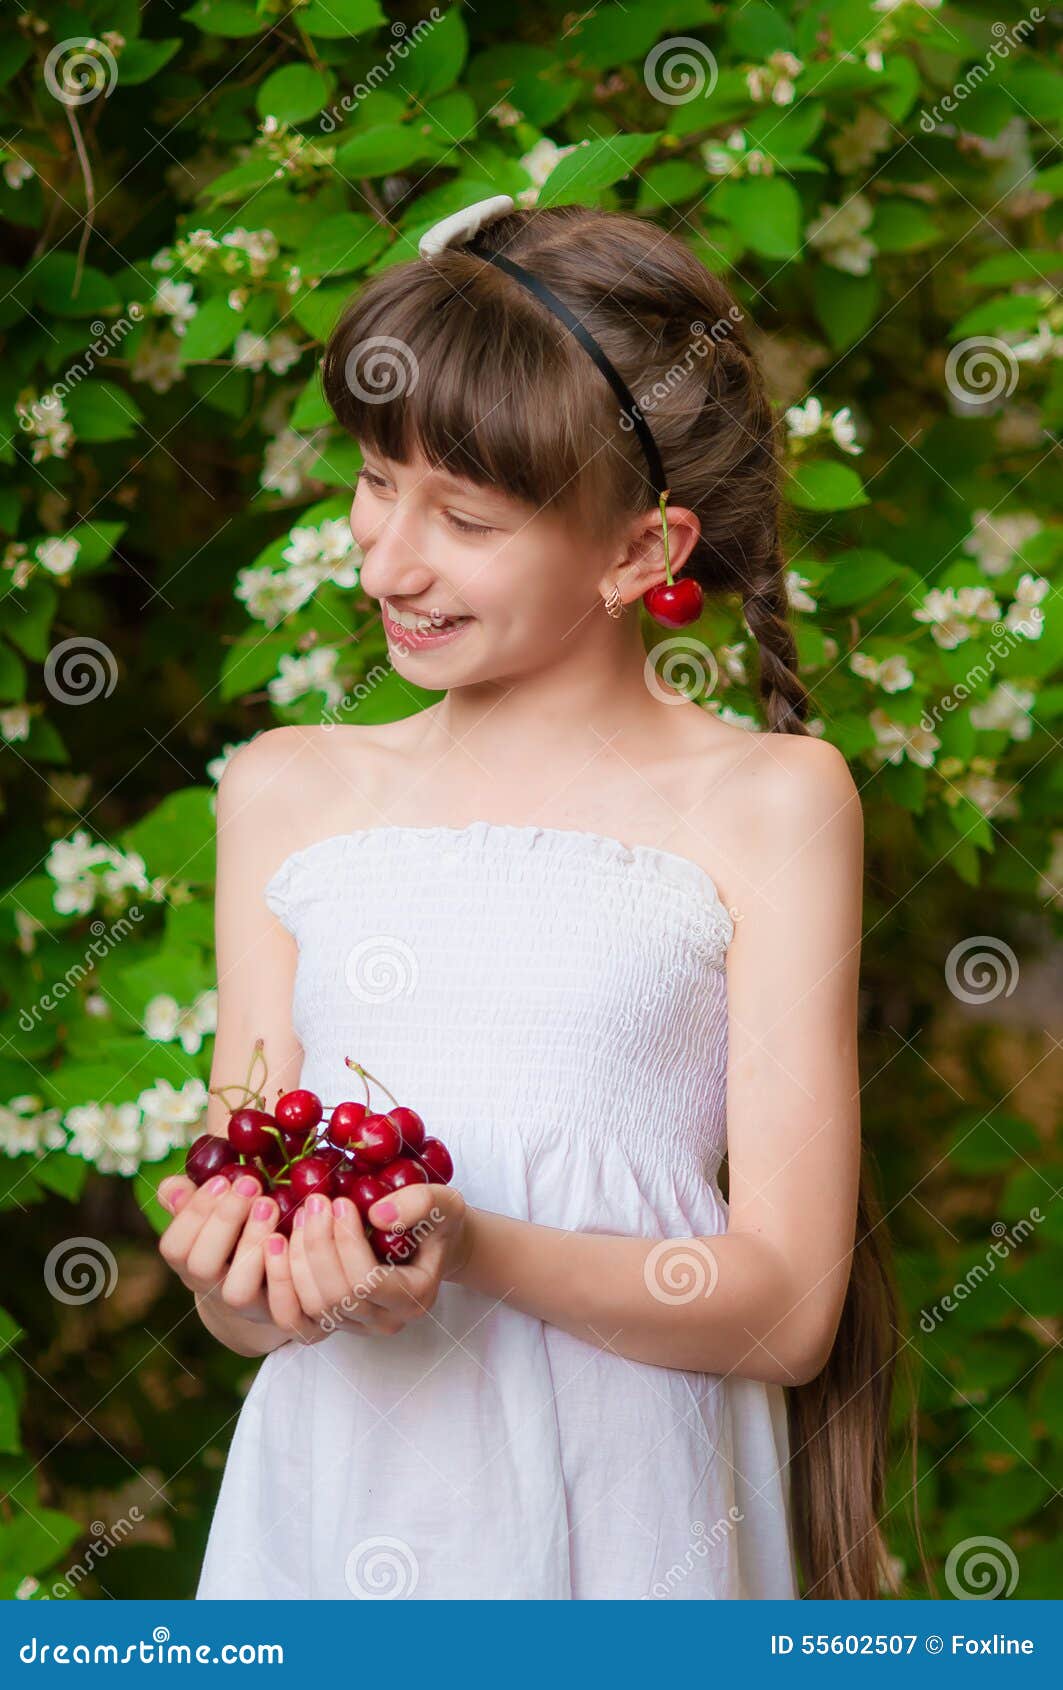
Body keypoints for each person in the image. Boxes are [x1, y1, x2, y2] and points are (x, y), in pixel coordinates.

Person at [157, 198, 899, 1600]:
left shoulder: (771, 803)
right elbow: (250, 1287)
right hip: (338, 1508)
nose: (387, 560)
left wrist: (476, 1244)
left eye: (465, 517)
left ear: (640, 552)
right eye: (378, 481)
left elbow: (790, 1309)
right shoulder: (287, 792)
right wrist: (234, 1269)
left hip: (635, 1513)